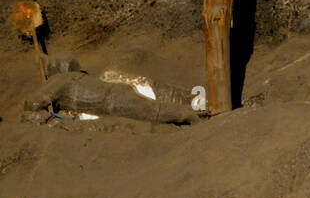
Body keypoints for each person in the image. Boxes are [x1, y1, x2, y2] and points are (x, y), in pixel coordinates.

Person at [23, 56, 197, 125]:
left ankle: (191, 116)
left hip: (112, 100)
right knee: (152, 109)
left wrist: (39, 115)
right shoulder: (76, 79)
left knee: (153, 111)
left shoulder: (59, 80)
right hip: (115, 95)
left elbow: (33, 102)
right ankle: (190, 114)